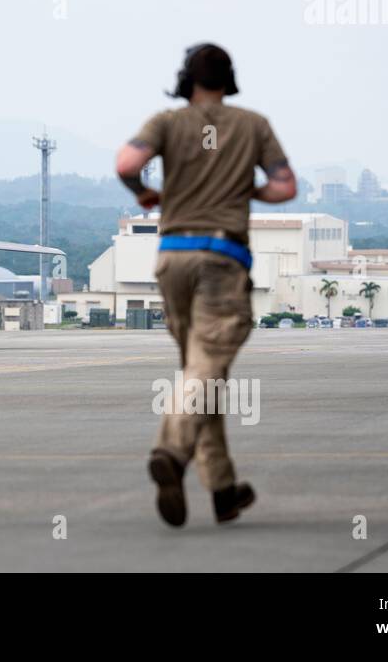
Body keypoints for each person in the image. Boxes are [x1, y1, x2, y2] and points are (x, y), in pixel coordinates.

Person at [115, 43, 297, 527]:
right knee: (206, 369)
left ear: (185, 80)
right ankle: (170, 451)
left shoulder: (166, 122)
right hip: (221, 258)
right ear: (229, 79)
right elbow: (286, 187)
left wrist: (146, 195)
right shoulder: (251, 124)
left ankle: (221, 490)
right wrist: (249, 187)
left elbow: (126, 164)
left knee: (201, 372)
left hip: (173, 257)